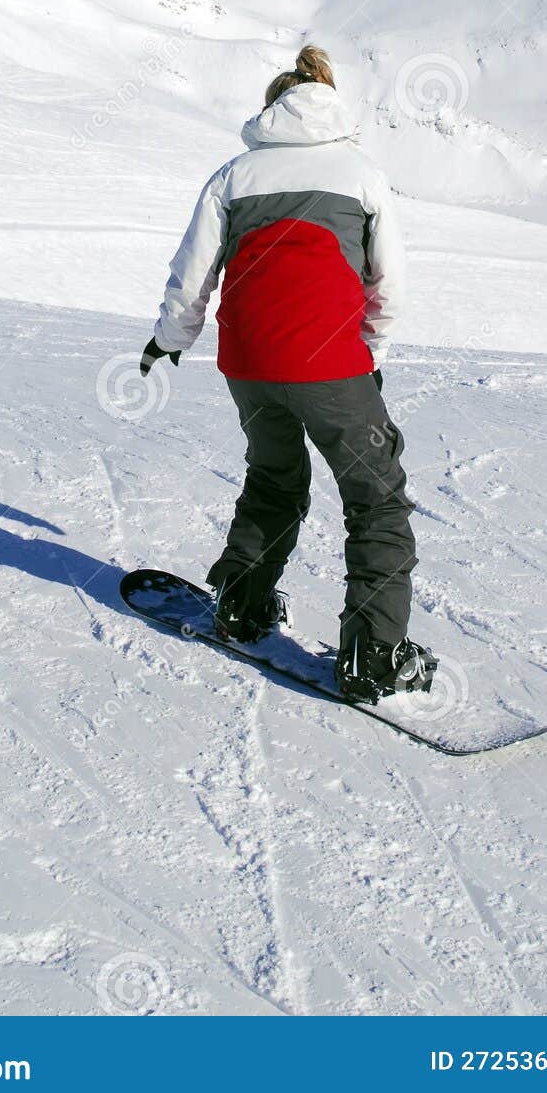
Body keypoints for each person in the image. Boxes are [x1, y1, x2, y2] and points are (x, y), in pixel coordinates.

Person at [139, 45, 436, 704]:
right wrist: (370, 355)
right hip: (330, 363)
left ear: (272, 107)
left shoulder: (233, 174)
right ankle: (373, 658)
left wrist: (168, 340)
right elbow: (390, 285)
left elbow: (192, 275)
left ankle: (241, 606)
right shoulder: (361, 173)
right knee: (375, 499)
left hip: (246, 361)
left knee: (273, 478)